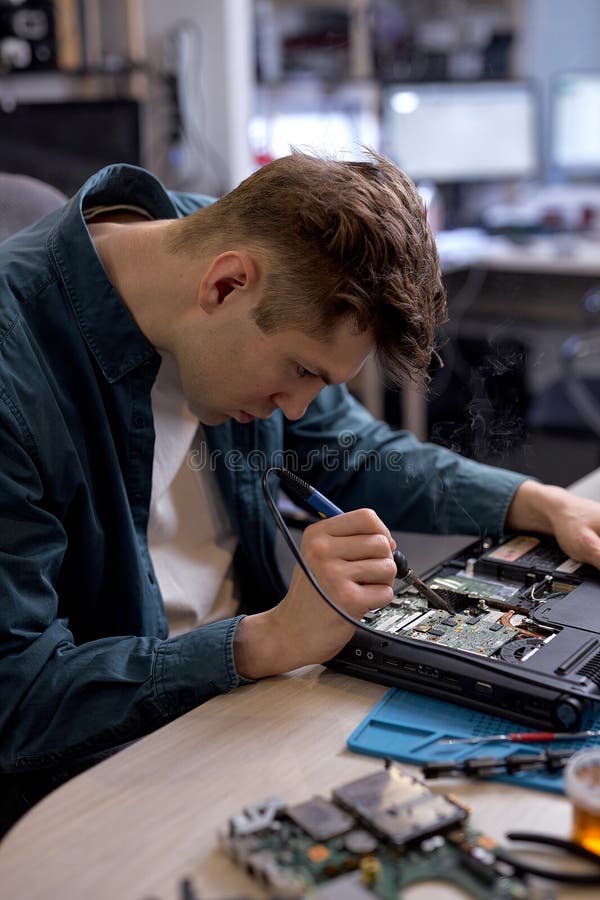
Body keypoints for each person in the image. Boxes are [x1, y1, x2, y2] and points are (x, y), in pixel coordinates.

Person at [1, 151, 600, 835]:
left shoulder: (229, 249)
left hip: (254, 698)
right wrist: (265, 641)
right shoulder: (14, 376)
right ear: (225, 286)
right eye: (301, 370)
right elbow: (17, 695)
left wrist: (539, 503)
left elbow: (352, 450)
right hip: (103, 769)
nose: (294, 411)